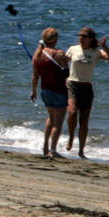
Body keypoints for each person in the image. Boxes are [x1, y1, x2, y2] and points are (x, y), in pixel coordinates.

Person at [64, 26, 109, 159]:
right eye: (80, 35)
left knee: (84, 121)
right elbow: (63, 61)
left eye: (84, 36)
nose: (81, 38)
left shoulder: (96, 51)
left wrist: (105, 47)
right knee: (72, 112)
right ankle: (70, 137)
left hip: (87, 87)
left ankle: (81, 150)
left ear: (90, 38)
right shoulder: (73, 49)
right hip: (72, 84)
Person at [29, 27, 69, 158]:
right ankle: (52, 150)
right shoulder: (59, 53)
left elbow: (35, 76)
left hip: (45, 91)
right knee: (58, 122)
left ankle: (45, 146)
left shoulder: (37, 55)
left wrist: (33, 91)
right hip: (59, 90)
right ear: (55, 39)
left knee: (50, 119)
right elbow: (67, 72)